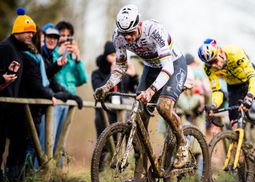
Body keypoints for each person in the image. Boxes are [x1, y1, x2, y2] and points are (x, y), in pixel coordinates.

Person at [94, 4, 188, 168]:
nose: (128, 38)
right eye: (124, 34)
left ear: (139, 24)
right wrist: (106, 86)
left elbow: (167, 68)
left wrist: (151, 91)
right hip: (151, 67)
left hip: (173, 65)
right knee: (137, 117)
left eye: (131, 33)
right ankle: (142, 170)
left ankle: (182, 142)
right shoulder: (118, 36)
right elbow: (121, 67)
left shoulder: (154, 31)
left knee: (164, 108)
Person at [198, 38, 255, 161]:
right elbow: (217, 91)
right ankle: (245, 162)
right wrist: (214, 105)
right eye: (210, 64)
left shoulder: (235, 52)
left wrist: (250, 97)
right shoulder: (208, 68)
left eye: (214, 61)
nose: (214, 66)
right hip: (234, 88)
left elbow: (253, 79)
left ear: (220, 52)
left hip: (252, 79)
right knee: (236, 129)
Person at [0, 7, 36, 182]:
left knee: (18, 142)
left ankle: (12, 180)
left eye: (32, 33)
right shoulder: (5, 47)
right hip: (2, 105)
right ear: (17, 32)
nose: (31, 35)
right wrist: (1, 79)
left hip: (12, 107)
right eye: (27, 32)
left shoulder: (19, 52)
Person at [51, 21, 87, 167]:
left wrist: (78, 59)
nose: (65, 38)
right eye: (62, 35)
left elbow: (83, 79)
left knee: (62, 139)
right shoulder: (52, 52)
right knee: (50, 137)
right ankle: (44, 171)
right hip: (55, 98)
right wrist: (57, 54)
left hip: (70, 100)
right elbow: (49, 72)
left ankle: (57, 173)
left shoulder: (73, 58)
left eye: (68, 35)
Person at [91, 41, 138, 138]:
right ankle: (104, 153)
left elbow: (136, 91)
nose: (115, 58)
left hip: (123, 113)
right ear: (106, 56)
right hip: (104, 113)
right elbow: (98, 91)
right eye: (112, 55)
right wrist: (112, 75)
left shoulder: (124, 74)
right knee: (105, 144)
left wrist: (134, 77)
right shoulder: (96, 73)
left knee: (122, 142)